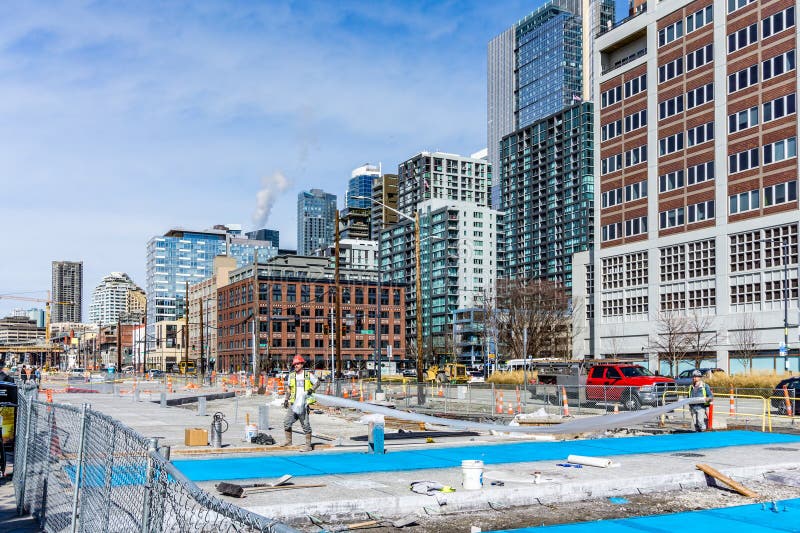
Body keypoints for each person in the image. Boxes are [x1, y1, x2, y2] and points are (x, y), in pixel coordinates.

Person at [281, 355, 319, 452]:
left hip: (303, 404)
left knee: (305, 425)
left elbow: (317, 382)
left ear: (302, 364)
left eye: (297, 364)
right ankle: (288, 441)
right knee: (287, 423)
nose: (296, 365)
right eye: (295, 364)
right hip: (293, 404)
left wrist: (311, 389)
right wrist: (286, 399)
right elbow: (289, 389)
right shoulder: (292, 375)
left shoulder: (308, 375)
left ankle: (308, 446)